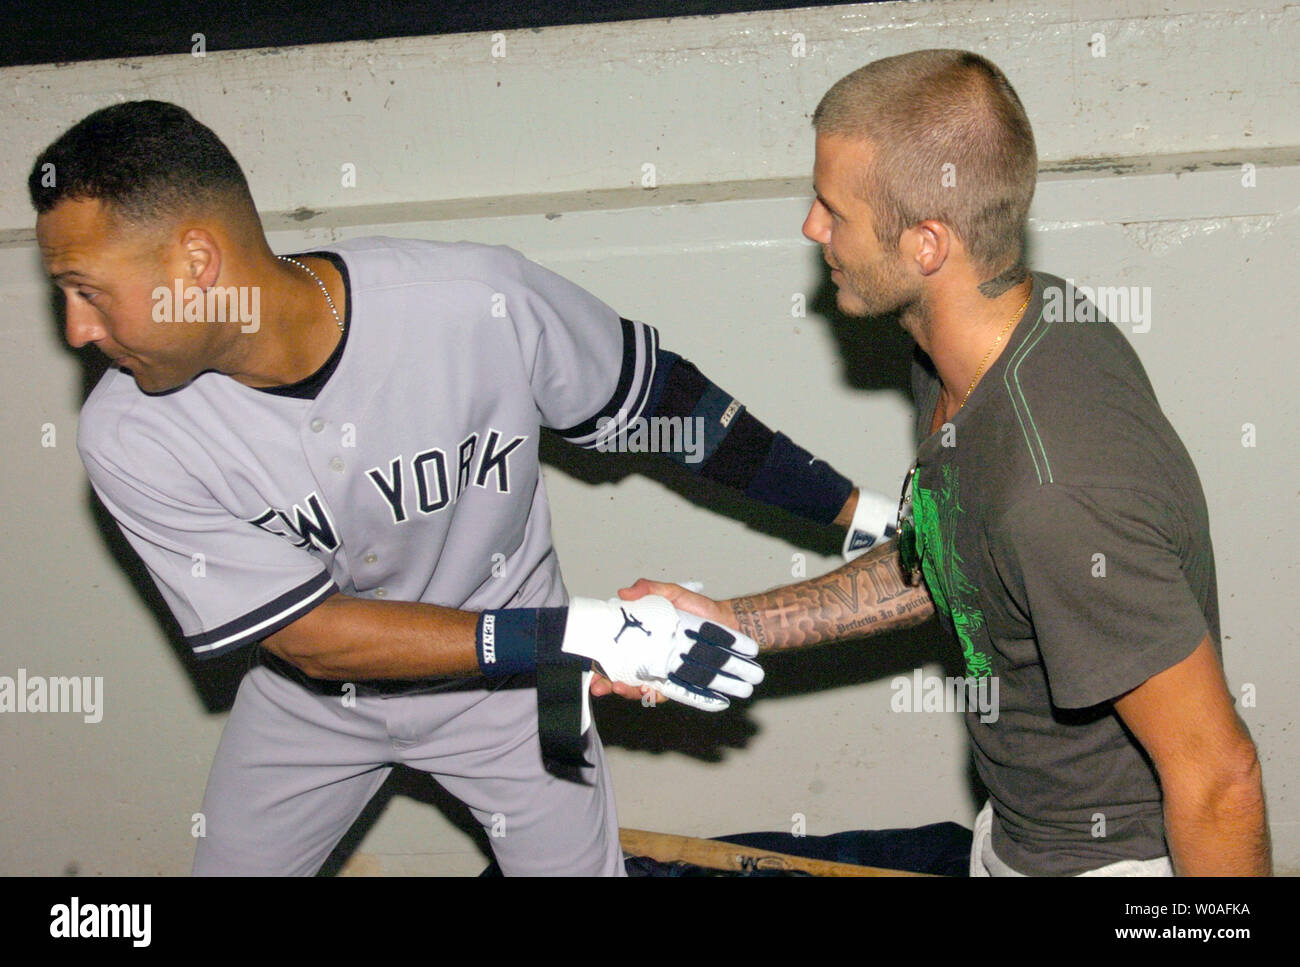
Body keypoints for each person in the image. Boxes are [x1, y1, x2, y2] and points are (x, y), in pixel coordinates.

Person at [30, 100, 895, 876]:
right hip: (319, 702)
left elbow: (666, 407)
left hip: (517, 691)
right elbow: (318, 641)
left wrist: (855, 512)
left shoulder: (469, 300)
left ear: (195, 261)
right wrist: (586, 632)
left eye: (87, 292)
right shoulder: (128, 431)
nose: (75, 330)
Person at [624, 49, 1271, 876]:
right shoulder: (970, 349)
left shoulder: (1060, 487)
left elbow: (1221, 778)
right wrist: (728, 622)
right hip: (1014, 833)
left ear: (926, 244)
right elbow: (952, 556)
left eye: (833, 209)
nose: (812, 229)